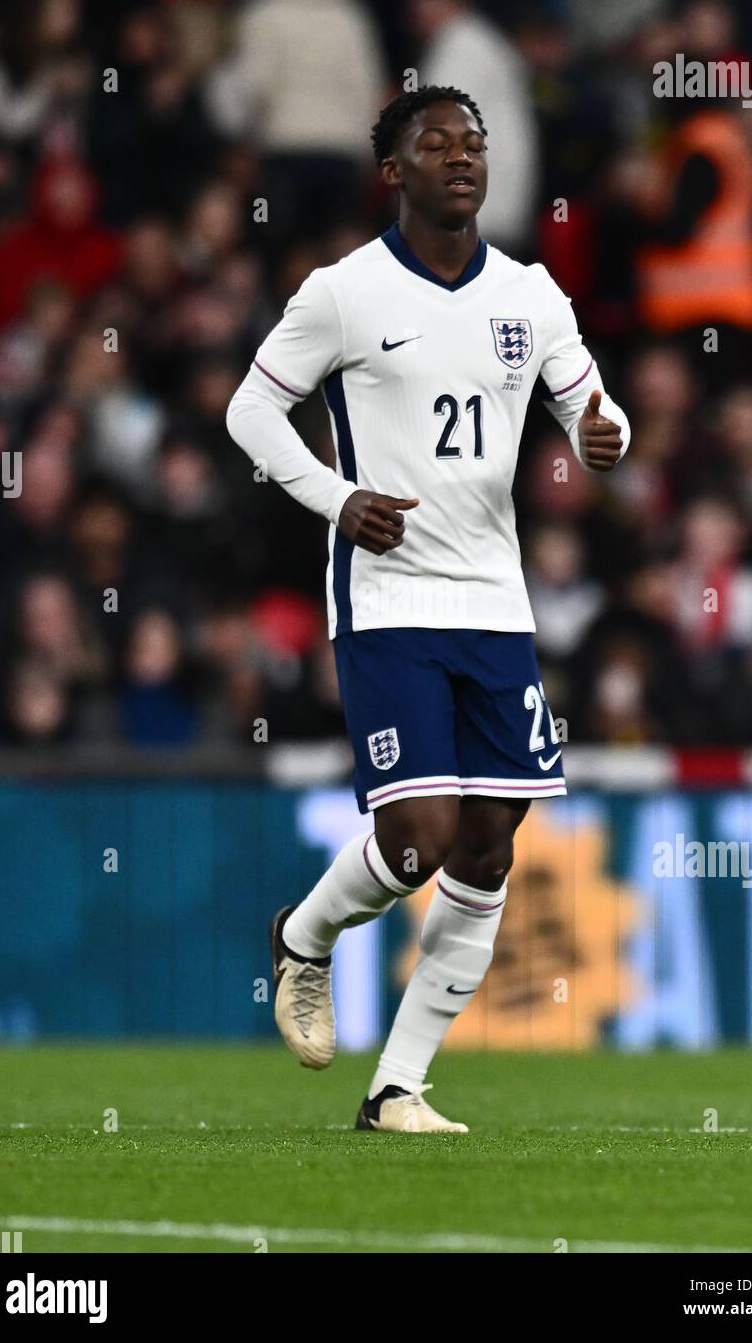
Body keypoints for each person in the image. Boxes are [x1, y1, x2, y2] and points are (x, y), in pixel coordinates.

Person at [226, 86, 630, 1132]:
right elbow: (251, 409)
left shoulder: (532, 296)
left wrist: (606, 431)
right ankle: (304, 938)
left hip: (496, 602)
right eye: (435, 143)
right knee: (416, 838)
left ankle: (396, 1087)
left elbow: (592, 399)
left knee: (489, 850)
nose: (461, 156)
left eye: (475, 143)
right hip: (390, 594)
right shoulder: (345, 293)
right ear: (393, 171)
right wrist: (336, 496)